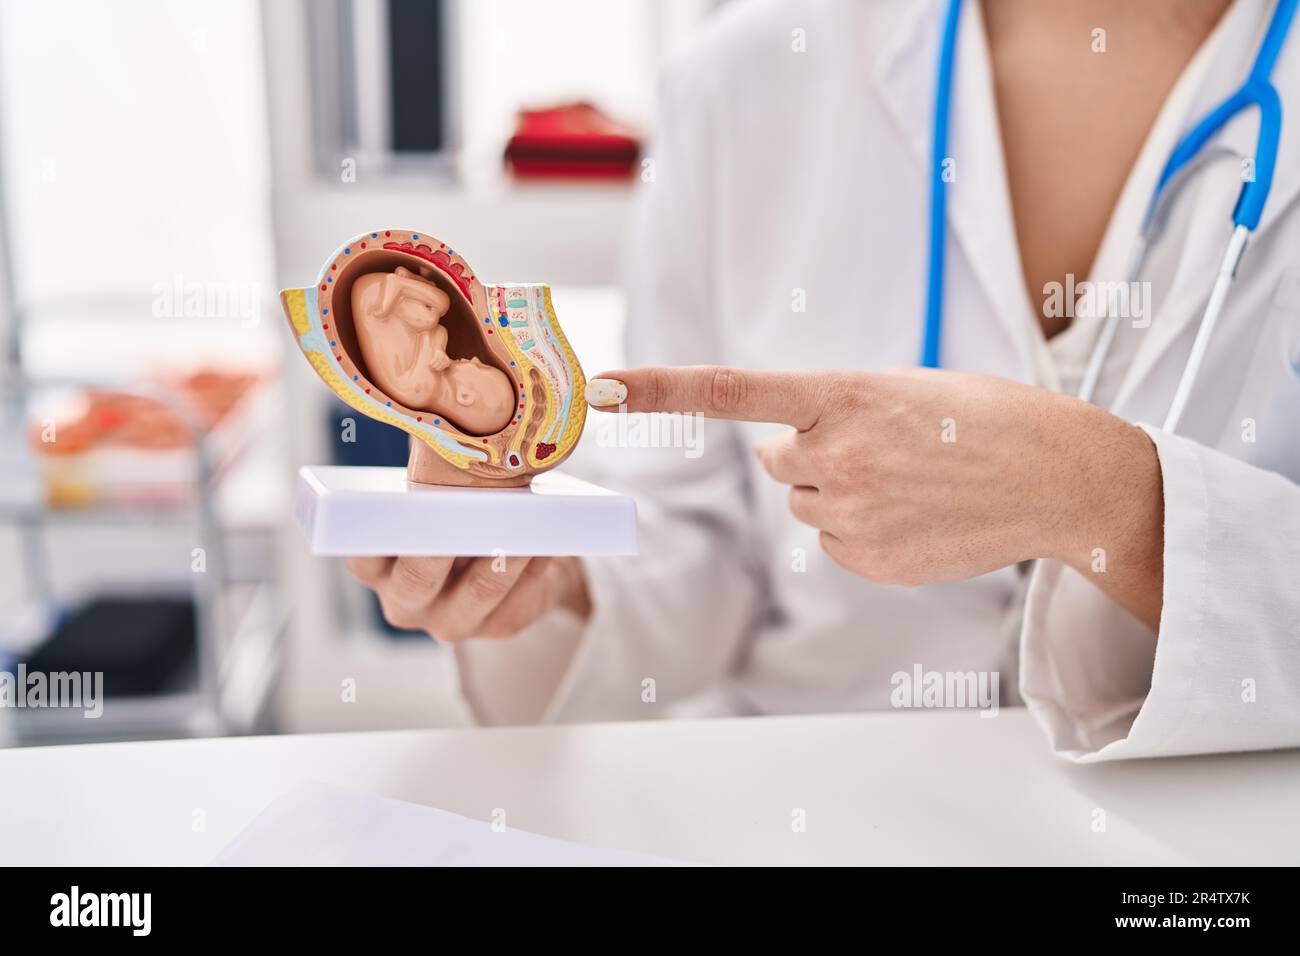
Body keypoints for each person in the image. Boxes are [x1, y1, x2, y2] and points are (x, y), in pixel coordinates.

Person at [347, 0, 1300, 760]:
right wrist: (557, 585)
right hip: (818, 809)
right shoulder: (750, 75)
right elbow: (700, 544)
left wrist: (1112, 504)